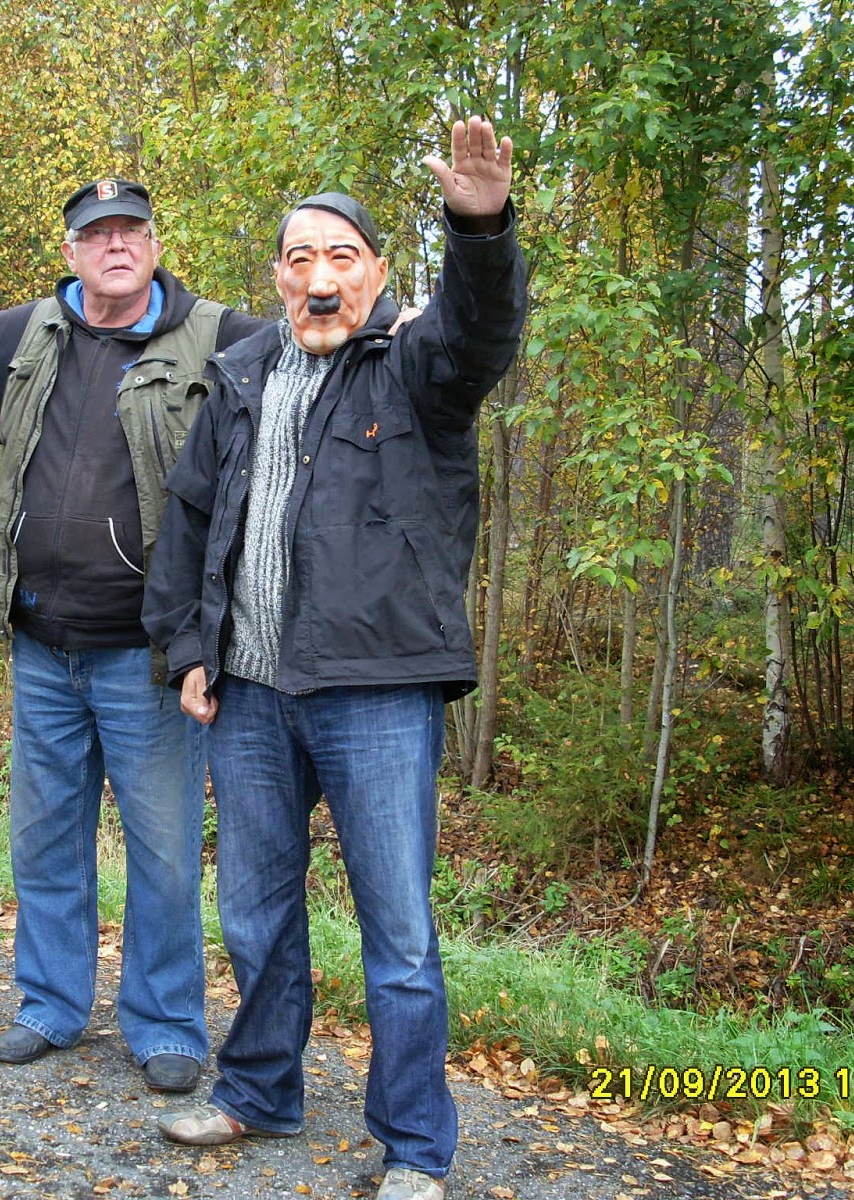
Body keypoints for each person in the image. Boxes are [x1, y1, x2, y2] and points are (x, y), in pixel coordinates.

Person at [142, 116, 529, 1200]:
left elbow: (483, 328)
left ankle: (414, 1149)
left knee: (397, 933)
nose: (320, 278)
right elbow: (190, 520)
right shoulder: (240, 374)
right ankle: (260, 1090)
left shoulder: (417, 367)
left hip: (376, 694)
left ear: (376, 273)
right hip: (250, 694)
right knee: (258, 912)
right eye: (301, 258)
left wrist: (482, 224)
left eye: (341, 258)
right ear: (275, 276)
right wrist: (188, 648)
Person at [0, 179, 273, 1094]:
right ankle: (49, 1004)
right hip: (42, 646)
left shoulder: (218, 336)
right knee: (45, 839)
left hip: (148, 658)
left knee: (160, 850)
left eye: (131, 231)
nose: (115, 245)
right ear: (71, 251)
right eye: (96, 234)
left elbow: (325, 340)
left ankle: (164, 1025)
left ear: (155, 244)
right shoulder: (26, 333)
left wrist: (395, 316)